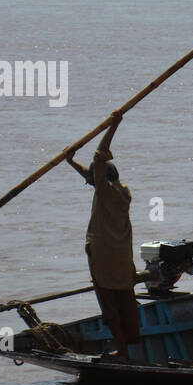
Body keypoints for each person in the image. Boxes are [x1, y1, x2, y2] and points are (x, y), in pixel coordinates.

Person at [65, 112, 141, 359]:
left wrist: (113, 126)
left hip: (104, 258)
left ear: (103, 180)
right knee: (126, 301)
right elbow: (94, 175)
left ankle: (121, 350)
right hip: (122, 260)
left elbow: (99, 159)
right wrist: (71, 162)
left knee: (109, 306)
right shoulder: (122, 192)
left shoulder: (106, 193)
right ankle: (130, 345)